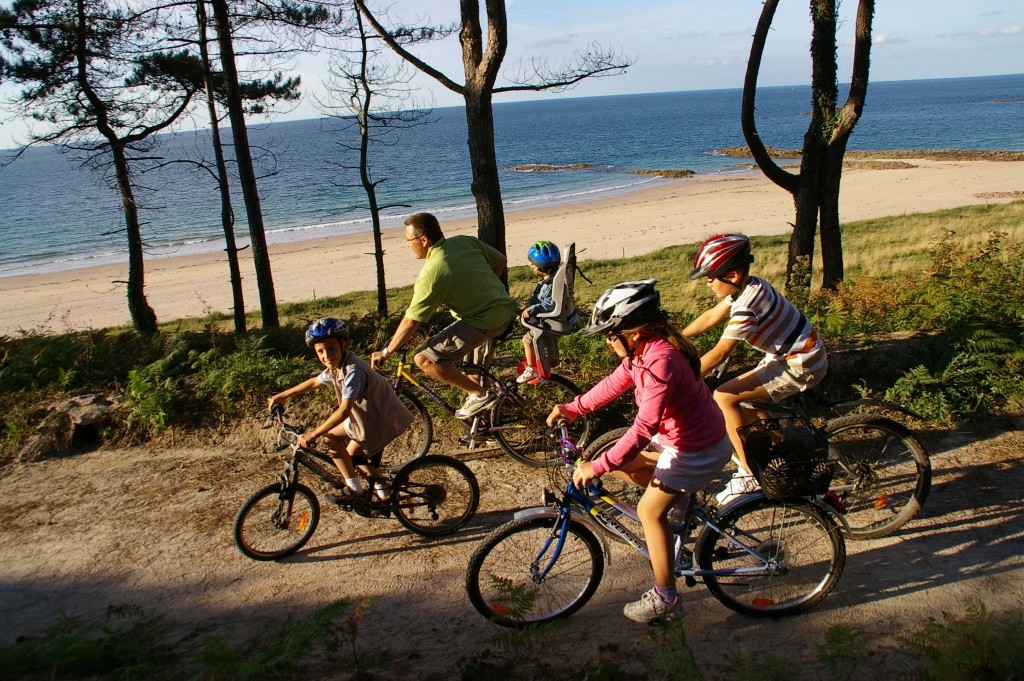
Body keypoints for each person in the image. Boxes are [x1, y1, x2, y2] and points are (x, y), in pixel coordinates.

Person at [546, 279, 730, 624]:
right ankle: (679, 507)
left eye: (609, 333)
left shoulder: (661, 362)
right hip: (684, 442)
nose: (606, 340)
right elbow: (615, 383)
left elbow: (643, 428)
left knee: (648, 512)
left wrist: (595, 467)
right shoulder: (643, 352)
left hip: (696, 450)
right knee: (620, 463)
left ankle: (666, 598)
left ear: (631, 332)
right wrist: (573, 407)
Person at [682, 234, 828, 504]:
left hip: (800, 362)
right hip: (792, 355)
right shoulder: (748, 287)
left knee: (724, 396)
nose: (708, 281)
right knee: (748, 404)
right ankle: (787, 456)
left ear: (733, 275)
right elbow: (711, 316)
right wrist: (678, 338)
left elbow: (721, 351)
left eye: (712, 276)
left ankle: (748, 472)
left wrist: (682, 378)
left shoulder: (747, 305)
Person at [370, 213, 519, 420]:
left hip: (483, 321)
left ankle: (480, 395)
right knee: (471, 372)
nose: (407, 245)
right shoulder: (464, 241)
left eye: (408, 240)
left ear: (424, 240)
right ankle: (484, 428)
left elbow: (411, 321)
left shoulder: (432, 272)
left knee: (424, 359)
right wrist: (479, 288)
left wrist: (385, 352)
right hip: (504, 310)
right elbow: (500, 260)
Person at [269, 317, 413, 503]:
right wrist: (283, 395)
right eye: (320, 351)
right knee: (354, 457)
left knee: (331, 440)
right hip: (371, 417)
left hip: (379, 421)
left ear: (344, 345)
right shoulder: (337, 366)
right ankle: (387, 494)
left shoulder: (353, 371)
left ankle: (355, 490)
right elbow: (314, 382)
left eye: (331, 348)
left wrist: (313, 434)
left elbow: (344, 411)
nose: (326, 355)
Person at [517, 240, 563, 384]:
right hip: (554, 320)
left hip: (547, 320)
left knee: (527, 340)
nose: (531, 266)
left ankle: (532, 369)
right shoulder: (555, 280)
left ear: (541, 268)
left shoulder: (548, 286)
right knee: (546, 337)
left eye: (533, 265)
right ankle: (552, 359)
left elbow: (548, 304)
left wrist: (531, 309)